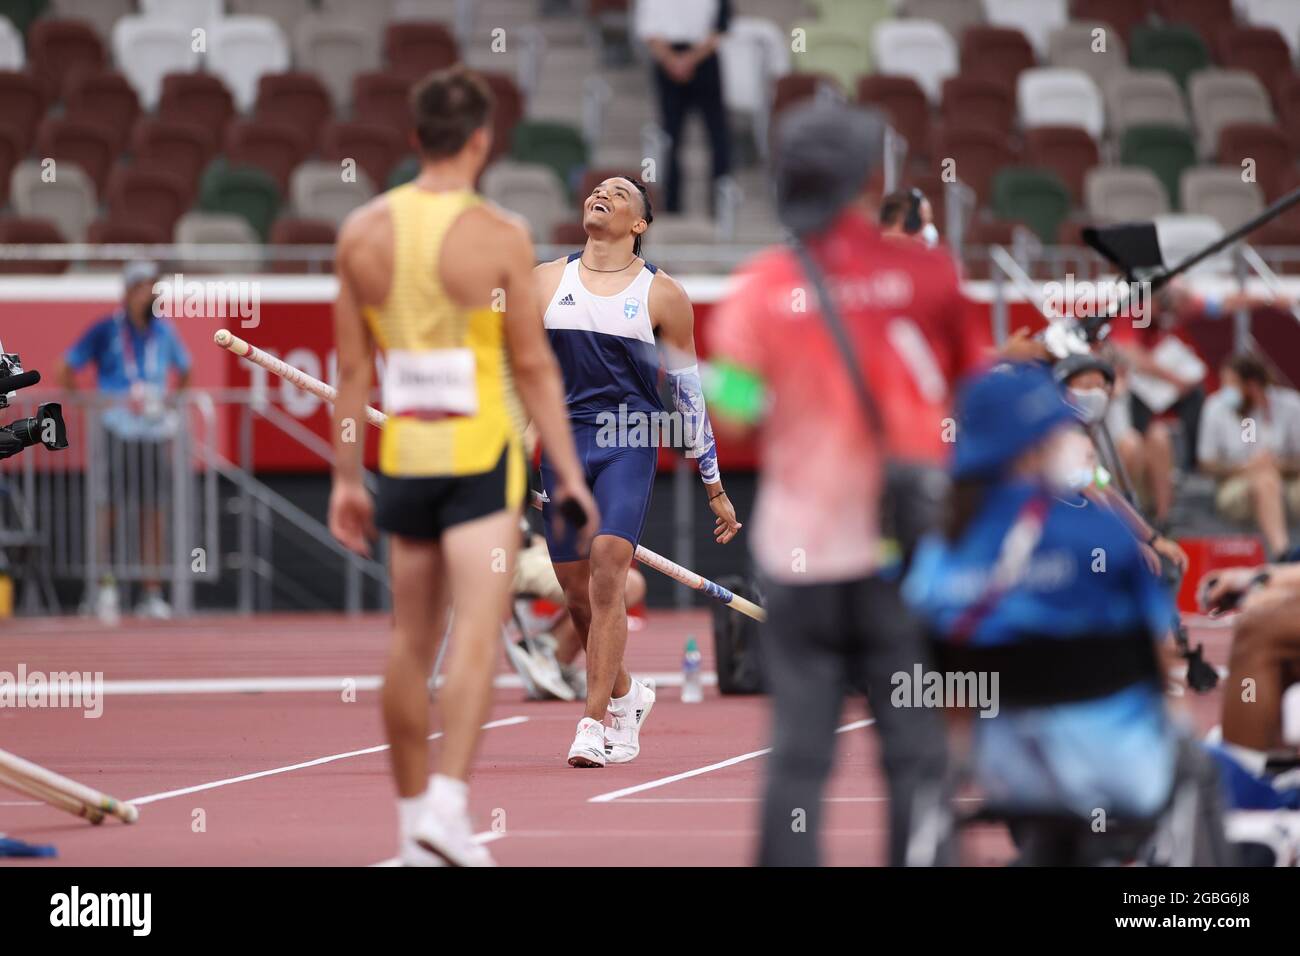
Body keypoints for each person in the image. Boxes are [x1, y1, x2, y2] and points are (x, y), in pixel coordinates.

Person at [327, 66, 598, 867]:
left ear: (414, 139)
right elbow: (537, 369)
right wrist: (573, 476)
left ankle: (414, 822)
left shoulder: (362, 233)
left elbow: (350, 375)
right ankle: (446, 807)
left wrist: (346, 477)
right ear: (481, 141)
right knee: (476, 636)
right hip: (482, 459)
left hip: (405, 458)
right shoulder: (502, 235)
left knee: (411, 641)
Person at [707, 102, 985, 866]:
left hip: (799, 555)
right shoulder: (928, 273)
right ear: (869, 178)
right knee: (917, 752)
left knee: (798, 753)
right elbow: (979, 392)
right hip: (905, 553)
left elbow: (730, 417)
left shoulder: (759, 286)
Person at [905, 363, 1229, 865]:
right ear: (1035, 443)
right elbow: (1162, 657)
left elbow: (935, 676)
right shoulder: (1105, 538)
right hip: (1119, 770)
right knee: (1198, 766)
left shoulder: (939, 552)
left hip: (1006, 772)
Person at [534, 173, 741, 767]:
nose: (602, 194)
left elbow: (689, 392)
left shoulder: (663, 295)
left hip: (629, 438)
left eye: (620, 193)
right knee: (576, 595)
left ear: (640, 225)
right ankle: (627, 694)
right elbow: (517, 368)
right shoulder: (545, 280)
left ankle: (592, 724)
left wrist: (714, 482)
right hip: (564, 442)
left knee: (607, 568)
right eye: (597, 189)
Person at [58, 259, 191, 621]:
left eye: (155, 287)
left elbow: (186, 366)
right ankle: (104, 587)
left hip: (153, 431)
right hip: (116, 428)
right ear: (130, 292)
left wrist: (172, 404)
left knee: (154, 511)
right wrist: (86, 405)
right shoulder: (106, 329)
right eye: (146, 286)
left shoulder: (165, 331)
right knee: (109, 509)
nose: (152, 294)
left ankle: (152, 592)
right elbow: (66, 365)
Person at [1198, 352, 1300, 559]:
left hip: (1289, 480)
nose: (1225, 389)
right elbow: (1205, 463)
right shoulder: (1215, 407)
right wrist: (1245, 468)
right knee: (1264, 480)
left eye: (1231, 383)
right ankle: (1283, 555)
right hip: (1236, 483)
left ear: (1252, 385)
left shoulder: (1291, 405)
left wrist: (1279, 465)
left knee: (1267, 477)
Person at [635, 0, 732, 215]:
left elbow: (721, 28)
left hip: (697, 58)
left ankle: (720, 203)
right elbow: (649, 31)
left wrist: (682, 61)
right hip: (681, 58)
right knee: (671, 136)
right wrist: (680, 61)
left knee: (716, 135)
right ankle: (672, 204)